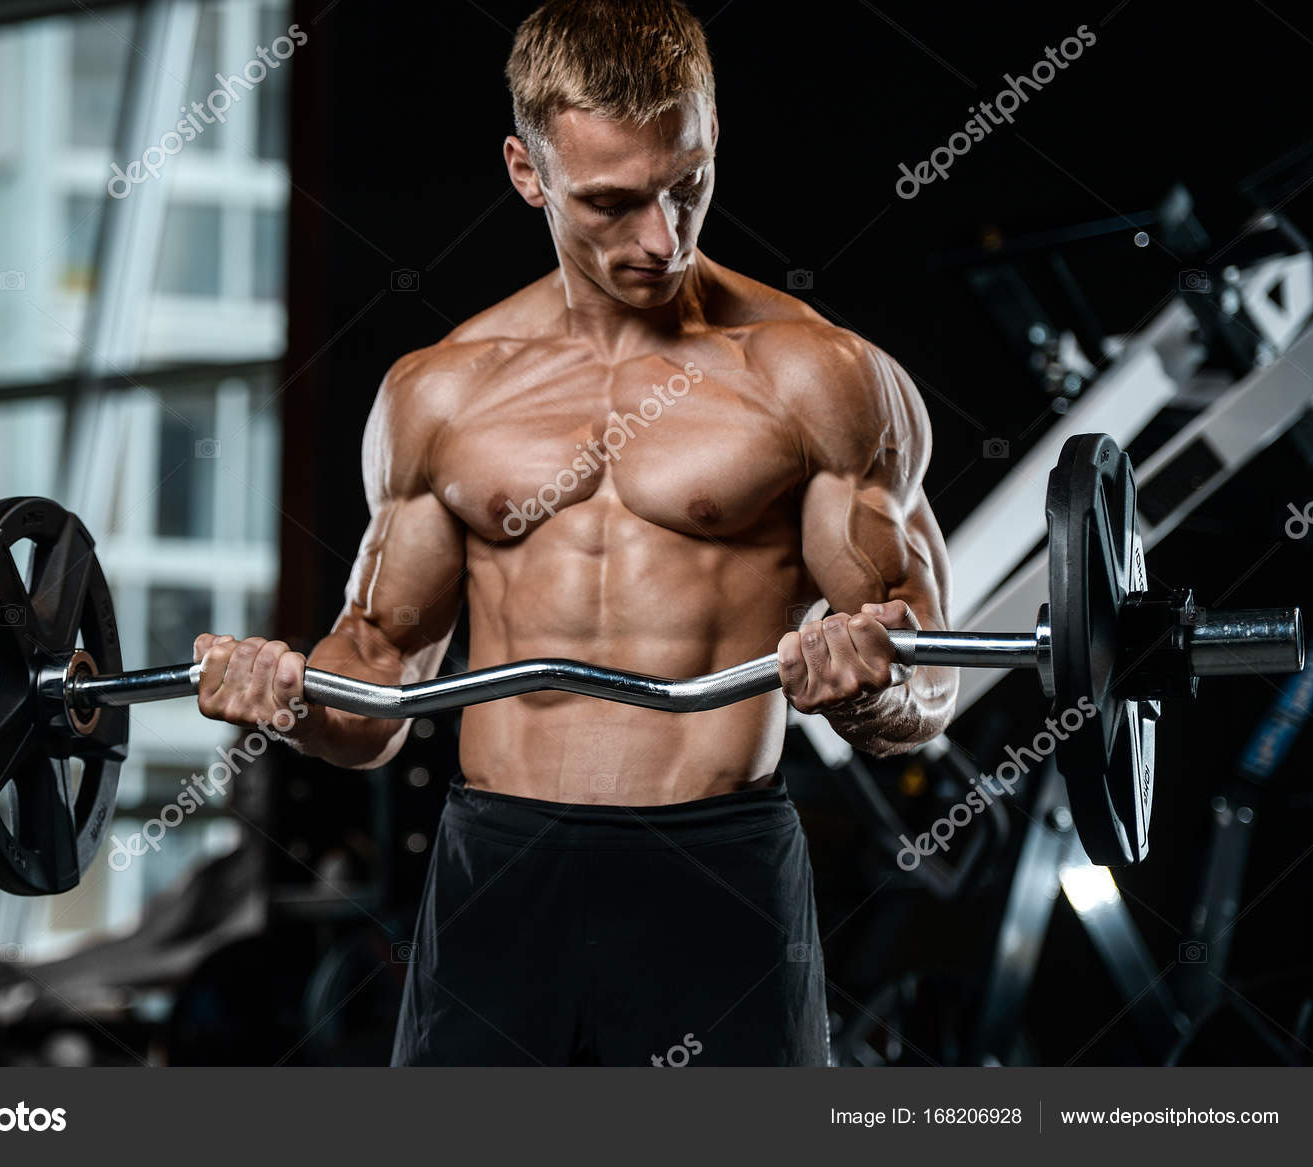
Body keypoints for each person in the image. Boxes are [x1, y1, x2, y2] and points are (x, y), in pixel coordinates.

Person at [194, 0, 957, 1066]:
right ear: (526, 171)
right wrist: (284, 699)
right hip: (496, 871)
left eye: (685, 182)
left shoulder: (816, 378)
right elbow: (373, 686)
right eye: (610, 201)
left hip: (716, 871)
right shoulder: (441, 394)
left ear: (711, 136)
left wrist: (875, 683)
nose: (662, 236)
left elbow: (929, 676)